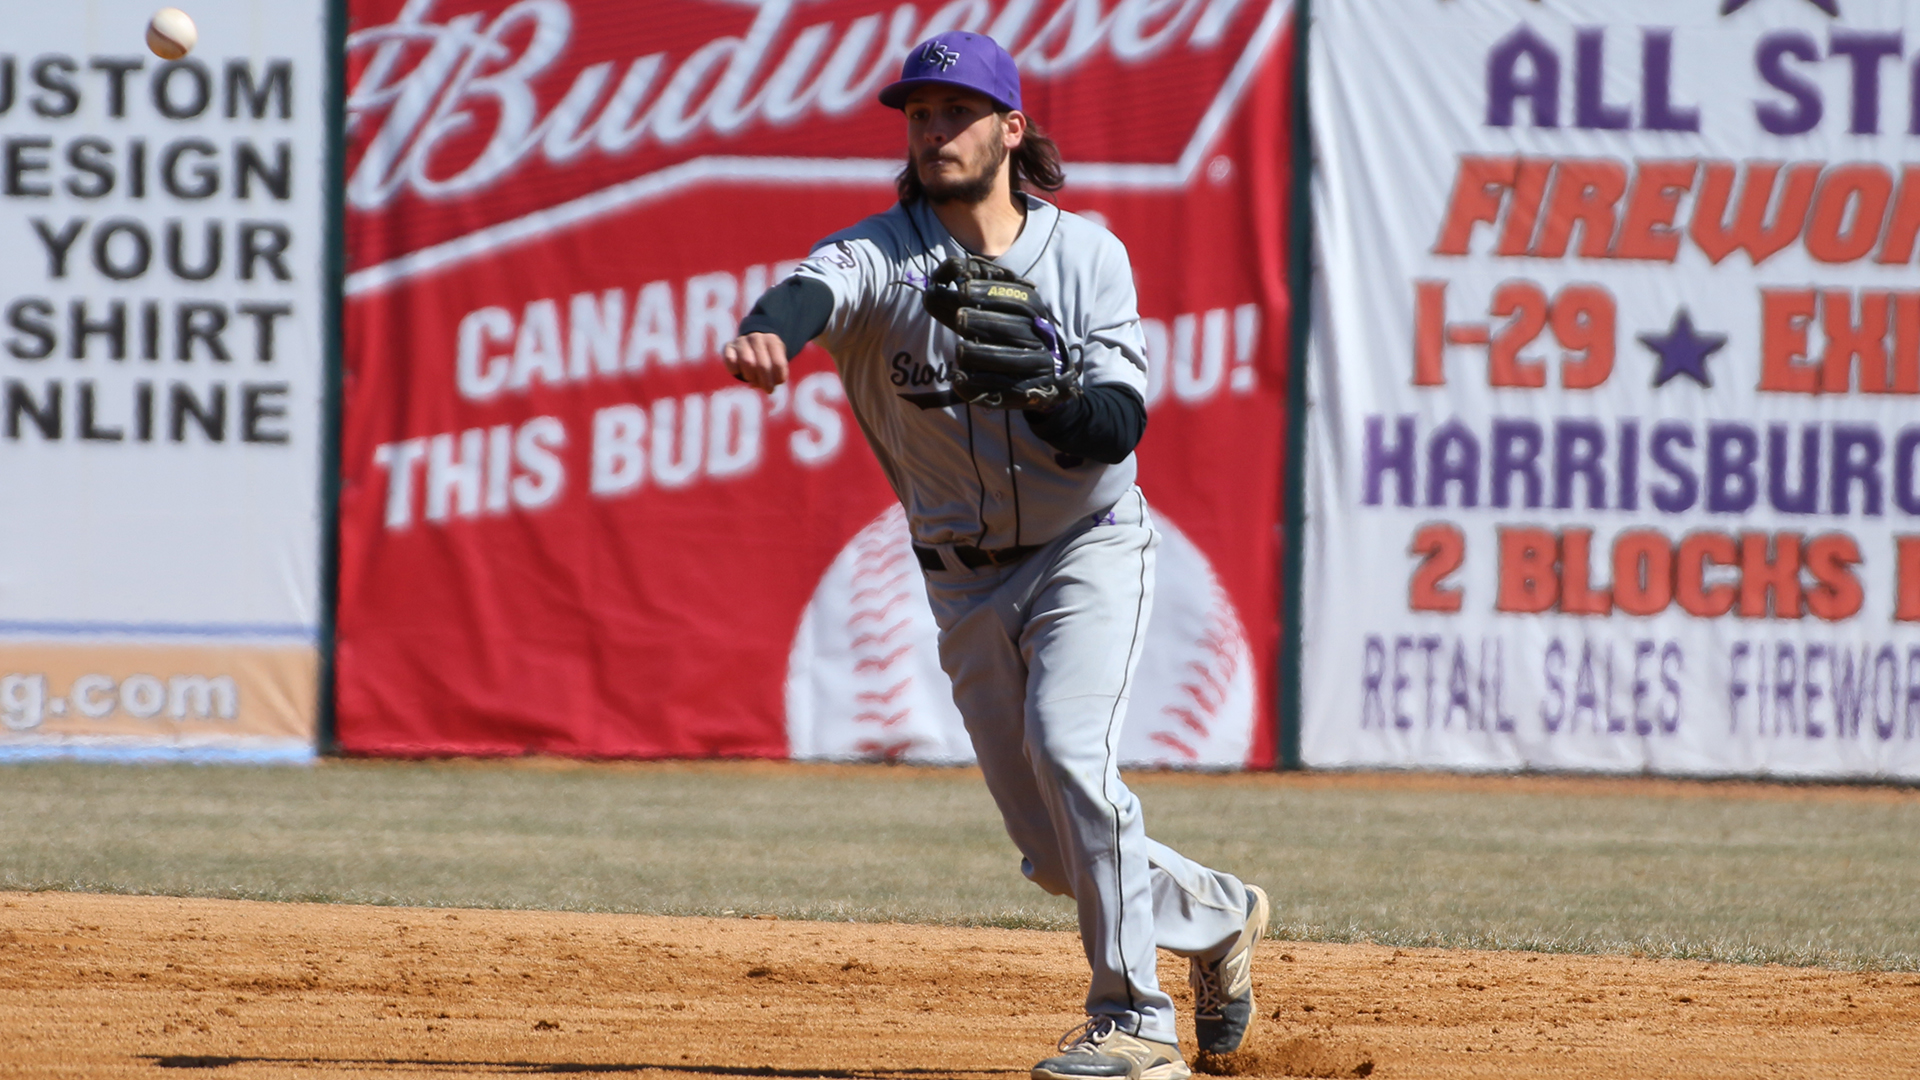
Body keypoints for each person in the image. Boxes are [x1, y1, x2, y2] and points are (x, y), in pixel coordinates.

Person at [721, 31, 1268, 1080]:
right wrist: (769, 332)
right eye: (919, 115)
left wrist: (1048, 392)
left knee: (1073, 755)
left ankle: (1134, 1021)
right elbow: (809, 291)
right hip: (961, 575)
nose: (934, 131)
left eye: (956, 112)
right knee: (1057, 856)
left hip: (1085, 549)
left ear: (1011, 130)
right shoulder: (882, 254)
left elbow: (1117, 423)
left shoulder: (1087, 255)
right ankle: (1220, 912)